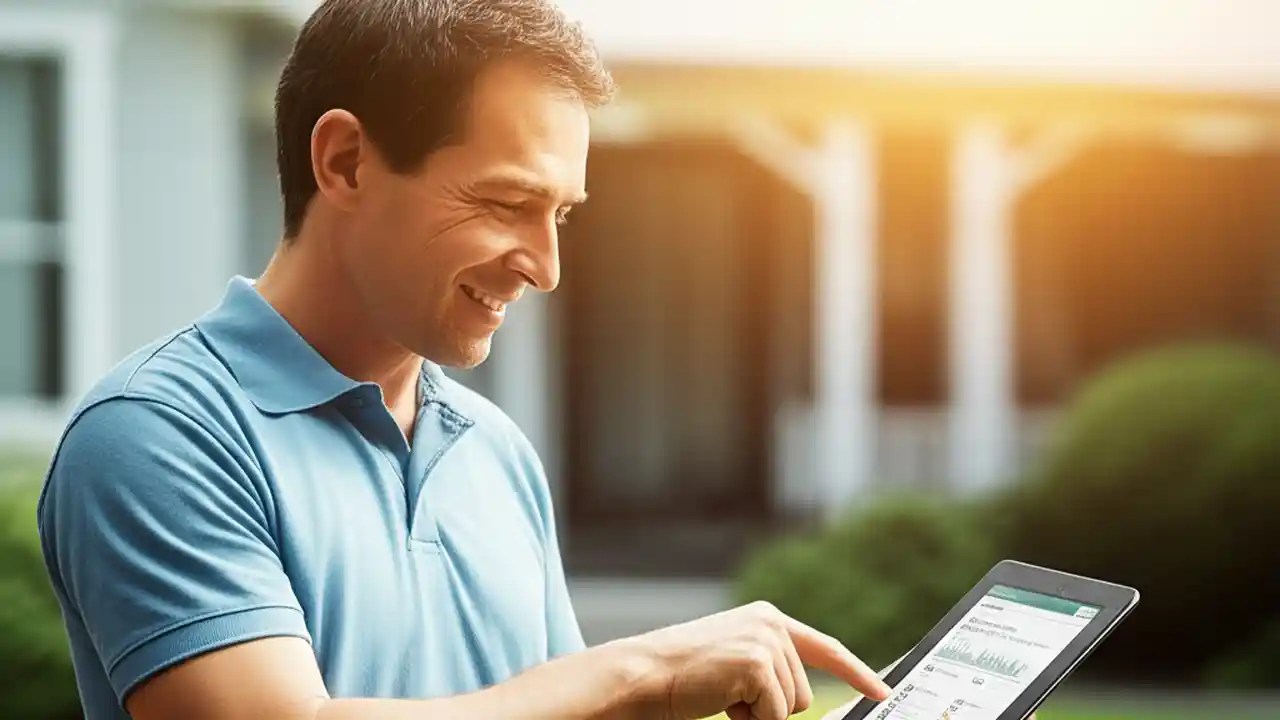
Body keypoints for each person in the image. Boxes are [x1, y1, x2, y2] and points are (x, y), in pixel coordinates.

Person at [37, 1, 893, 719]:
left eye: (560, 215)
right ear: (345, 162)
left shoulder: (495, 453)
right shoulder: (159, 436)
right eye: (509, 202)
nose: (546, 269)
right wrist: (641, 669)